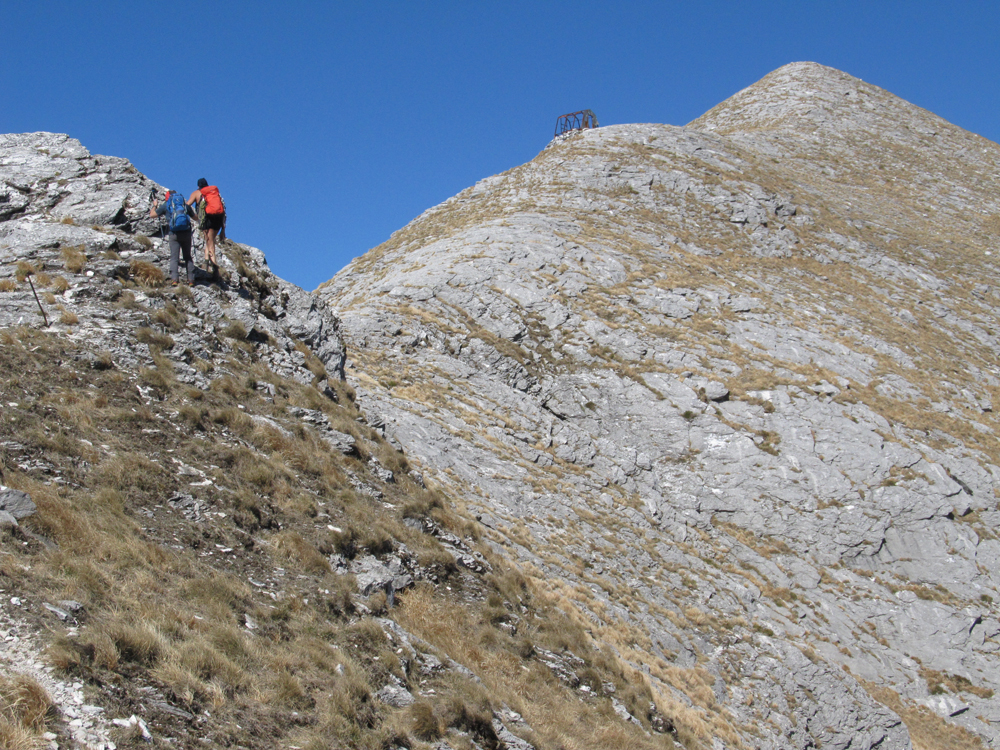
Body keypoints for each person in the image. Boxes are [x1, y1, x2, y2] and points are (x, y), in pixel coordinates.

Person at [148, 190, 195, 286]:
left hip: (174, 234)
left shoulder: (166, 205)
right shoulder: (184, 206)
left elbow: (152, 215)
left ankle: (174, 280)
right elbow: (195, 218)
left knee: (174, 258)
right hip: (186, 234)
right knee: (188, 257)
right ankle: (191, 280)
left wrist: (155, 205)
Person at [186, 178, 225, 275]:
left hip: (207, 220)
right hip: (218, 220)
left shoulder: (196, 193)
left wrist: (194, 217)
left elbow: (187, 205)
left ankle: (214, 268)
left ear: (198, 186)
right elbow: (222, 209)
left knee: (210, 243)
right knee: (210, 241)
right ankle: (206, 262)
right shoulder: (214, 193)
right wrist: (223, 229)